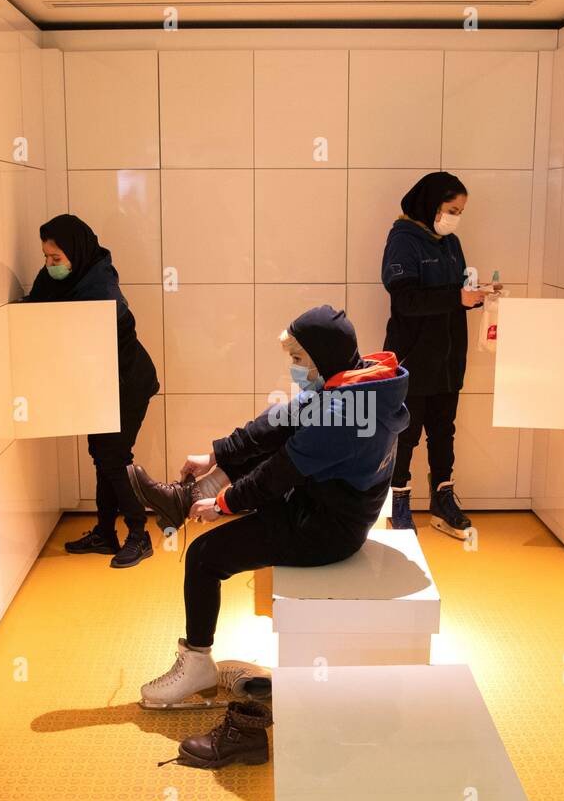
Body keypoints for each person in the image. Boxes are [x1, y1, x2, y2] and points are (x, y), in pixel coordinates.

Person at [126, 306, 409, 709]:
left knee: (204, 556)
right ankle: (184, 496)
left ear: (321, 357)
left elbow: (279, 473)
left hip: (327, 529)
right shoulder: (359, 382)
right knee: (276, 435)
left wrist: (224, 504)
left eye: (297, 360)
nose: (294, 369)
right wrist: (215, 455)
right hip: (322, 500)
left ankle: (197, 664)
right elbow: (279, 421)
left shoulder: (342, 416)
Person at [25, 213, 160, 568]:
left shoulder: (100, 287)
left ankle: (139, 535)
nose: (49, 265)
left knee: (113, 458)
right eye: (46, 258)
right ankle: (104, 533)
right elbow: (37, 311)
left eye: (56, 258)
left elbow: (84, 331)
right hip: (98, 381)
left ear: (76, 252)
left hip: (127, 382)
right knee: (101, 455)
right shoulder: (64, 278)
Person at [379, 171, 500, 539]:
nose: (455, 217)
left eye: (460, 210)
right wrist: (455, 299)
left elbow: (455, 293)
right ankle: (398, 501)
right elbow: (405, 300)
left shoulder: (451, 243)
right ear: (431, 204)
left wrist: (477, 295)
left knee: (443, 432)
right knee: (406, 433)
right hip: (412, 358)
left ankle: (443, 499)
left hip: (448, 357)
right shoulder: (403, 241)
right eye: (451, 209)